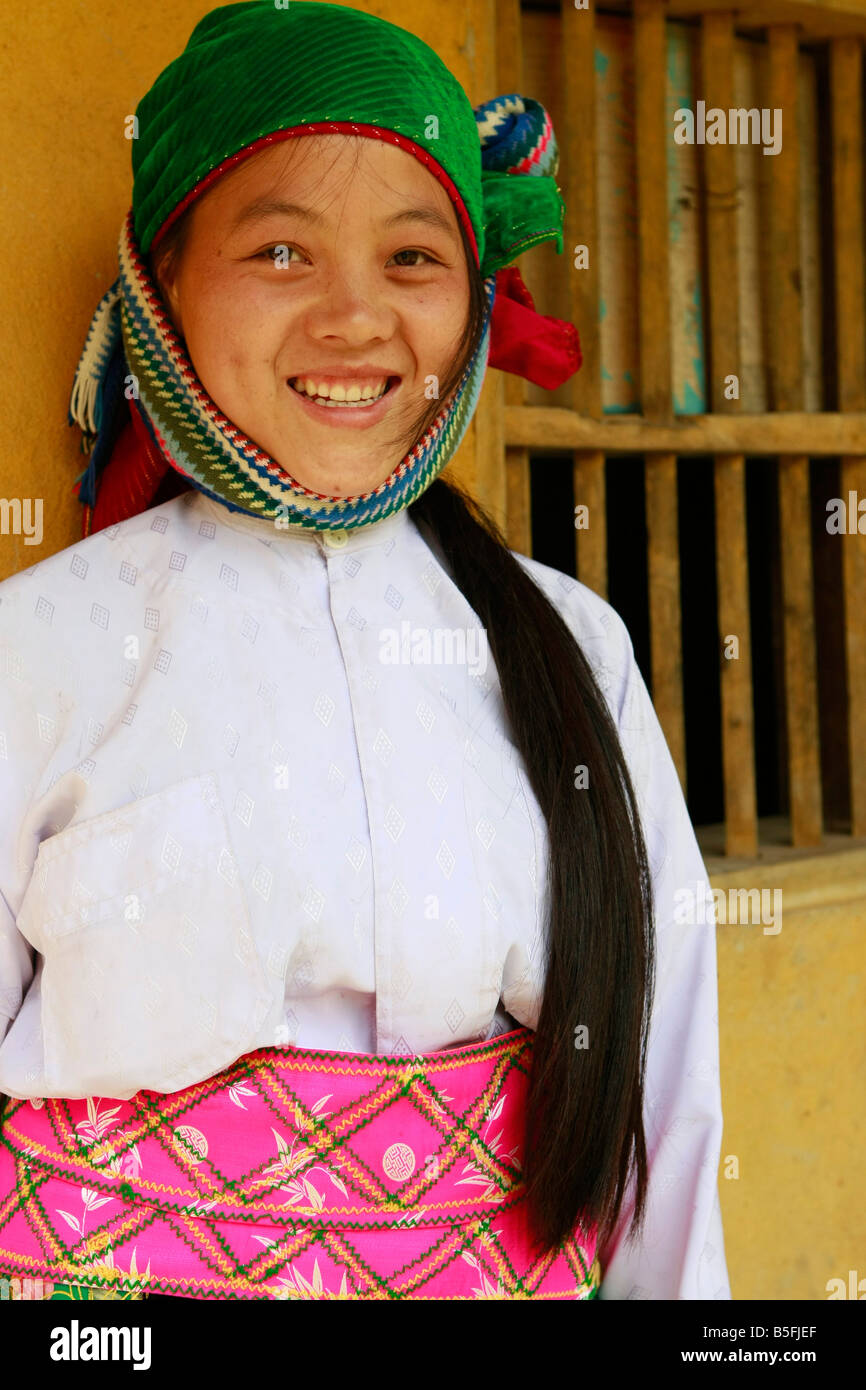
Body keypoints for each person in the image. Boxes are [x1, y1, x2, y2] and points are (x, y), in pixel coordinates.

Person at [0, 0, 731, 1301]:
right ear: (162, 280)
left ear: (474, 302)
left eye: (411, 259)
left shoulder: (575, 649)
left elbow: (660, 1096)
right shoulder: (41, 650)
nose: (354, 317)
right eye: (281, 250)